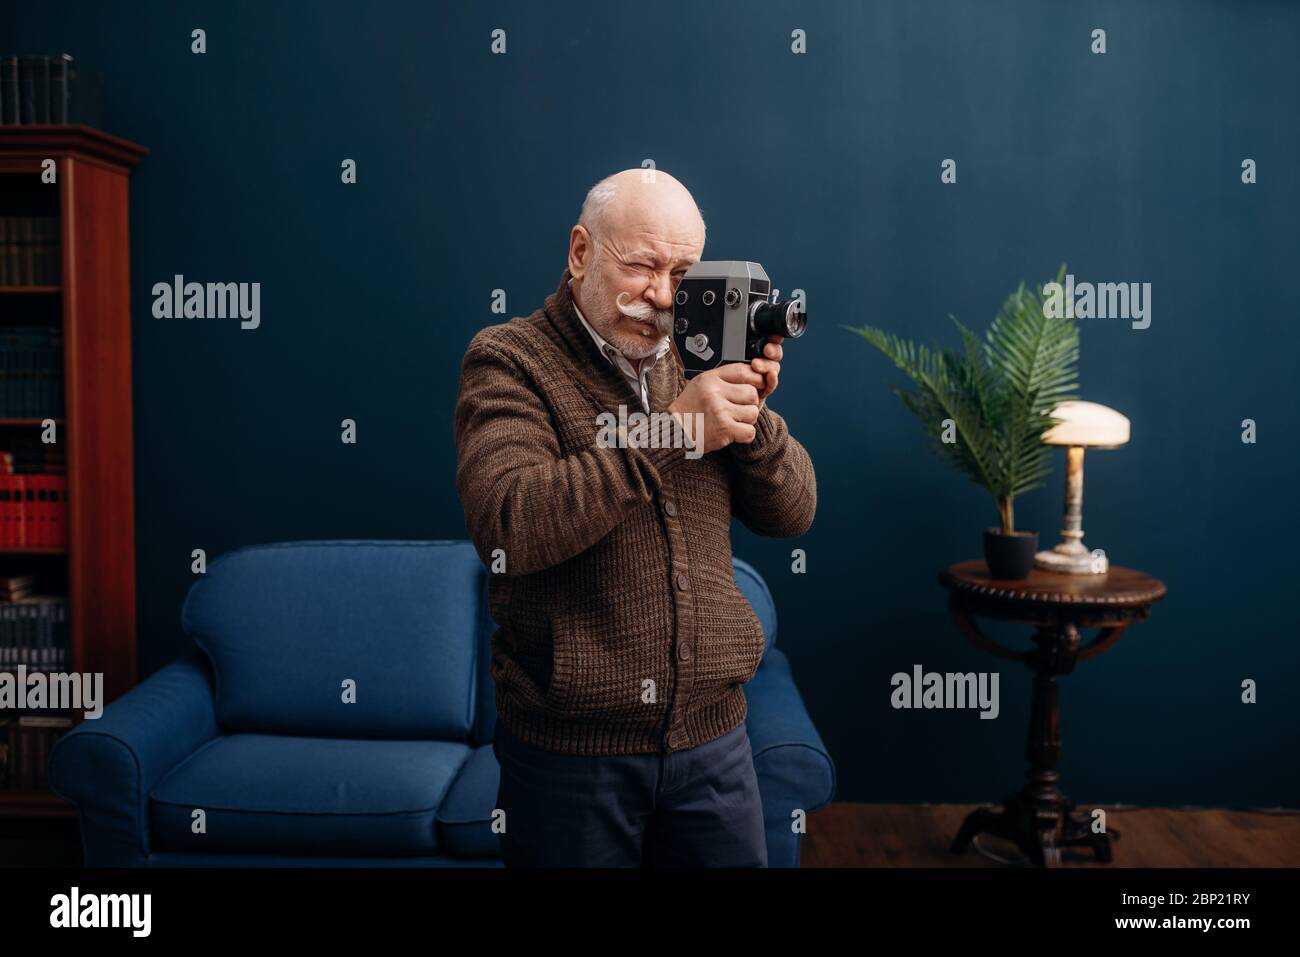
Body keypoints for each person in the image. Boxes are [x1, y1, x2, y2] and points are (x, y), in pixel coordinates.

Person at [453, 168, 816, 866]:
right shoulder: (508, 359)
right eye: (643, 265)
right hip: (571, 757)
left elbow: (794, 512)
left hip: (714, 746)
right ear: (581, 250)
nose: (663, 296)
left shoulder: (697, 358)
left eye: (682, 272)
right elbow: (509, 522)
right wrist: (673, 431)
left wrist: (755, 417)